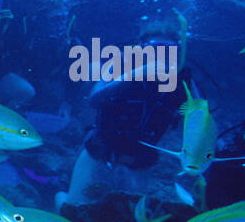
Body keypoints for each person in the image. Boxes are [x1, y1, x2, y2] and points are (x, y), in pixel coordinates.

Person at [59, 15, 197, 210]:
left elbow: (201, 121)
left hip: (140, 162)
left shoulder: (182, 82)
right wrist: (134, 76)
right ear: (140, 50)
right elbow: (94, 99)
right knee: (74, 211)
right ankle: (60, 193)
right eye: (154, 50)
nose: (161, 58)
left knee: (132, 220)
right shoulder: (121, 67)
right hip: (99, 154)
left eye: (169, 52)